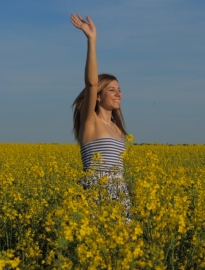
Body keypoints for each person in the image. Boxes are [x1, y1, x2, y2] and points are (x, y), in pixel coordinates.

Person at [71, 13, 131, 223]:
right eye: (111, 90)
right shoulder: (90, 122)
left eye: (119, 90)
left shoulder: (117, 129)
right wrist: (92, 41)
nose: (118, 94)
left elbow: (119, 171)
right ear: (98, 97)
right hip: (94, 195)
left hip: (120, 195)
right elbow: (90, 83)